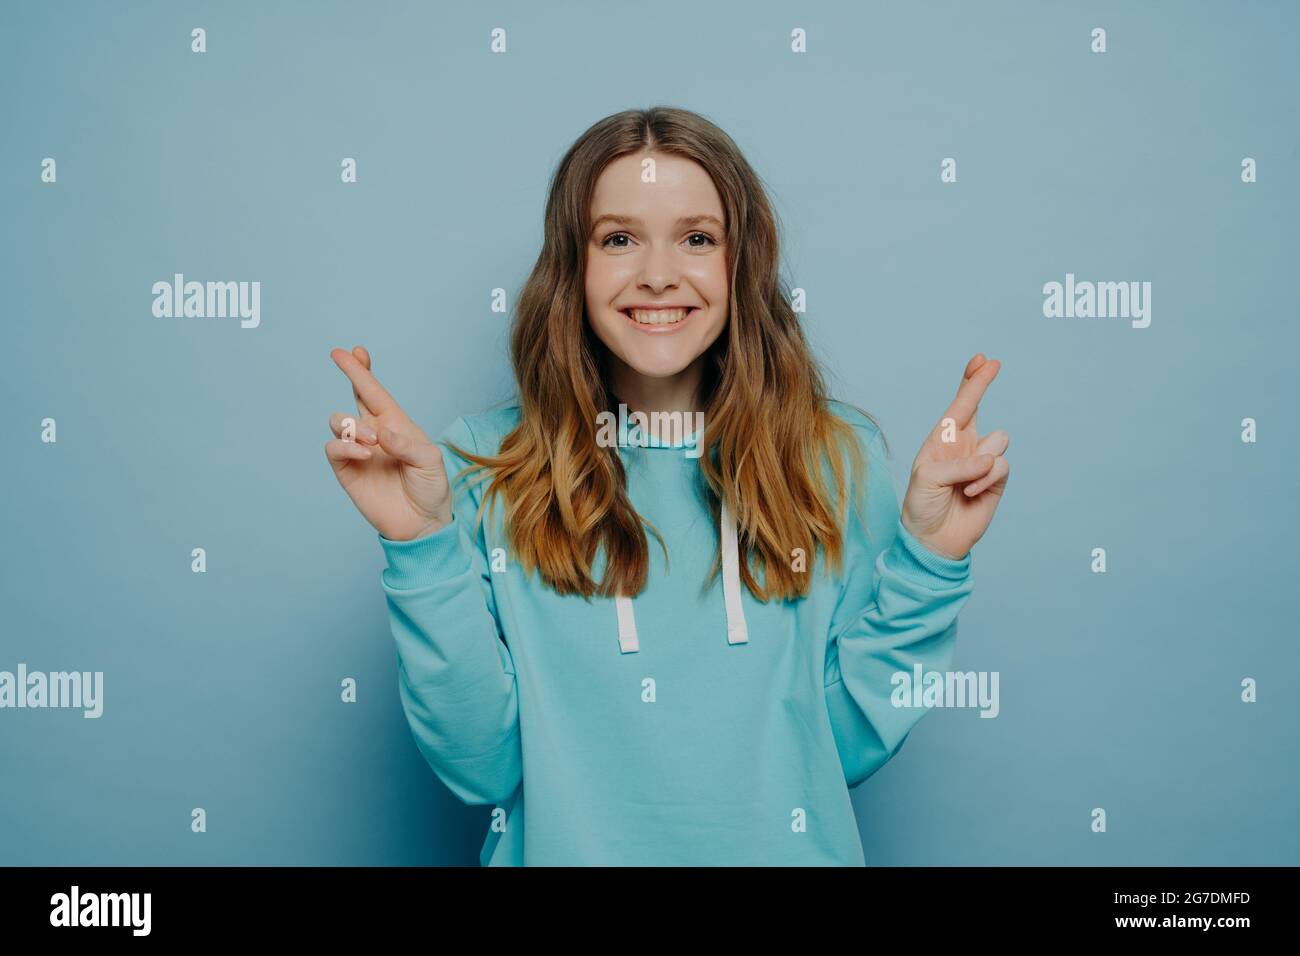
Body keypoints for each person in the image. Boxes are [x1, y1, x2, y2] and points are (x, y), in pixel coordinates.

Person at [324, 106, 1009, 865]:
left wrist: (931, 563)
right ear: (572, 268)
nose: (657, 274)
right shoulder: (484, 466)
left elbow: (839, 748)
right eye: (618, 239)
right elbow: (481, 766)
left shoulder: (833, 456)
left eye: (696, 239)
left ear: (738, 264)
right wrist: (419, 546)